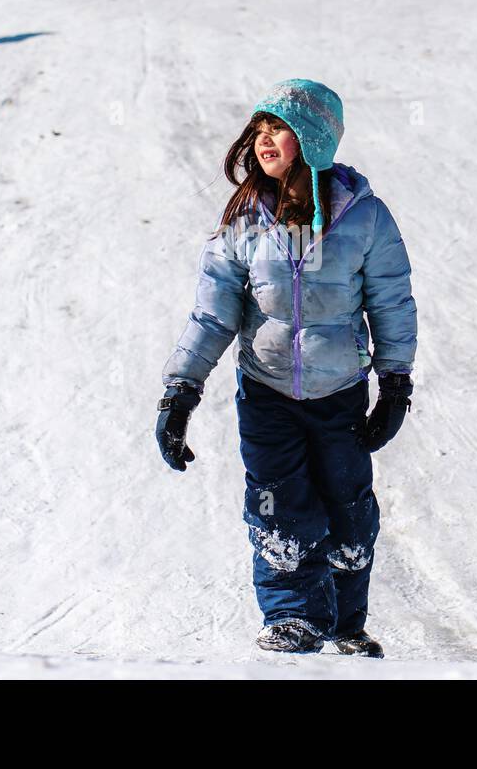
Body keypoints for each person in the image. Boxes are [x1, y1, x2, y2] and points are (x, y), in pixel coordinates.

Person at [156, 79, 418, 657]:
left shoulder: (365, 217)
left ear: (313, 138)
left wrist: (395, 384)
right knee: (277, 501)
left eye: (277, 128)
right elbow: (212, 314)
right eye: (258, 130)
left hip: (340, 391)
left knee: (347, 507)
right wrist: (181, 391)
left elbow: (392, 300)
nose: (263, 140)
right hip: (268, 394)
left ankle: (348, 626)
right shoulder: (244, 222)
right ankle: (292, 617)